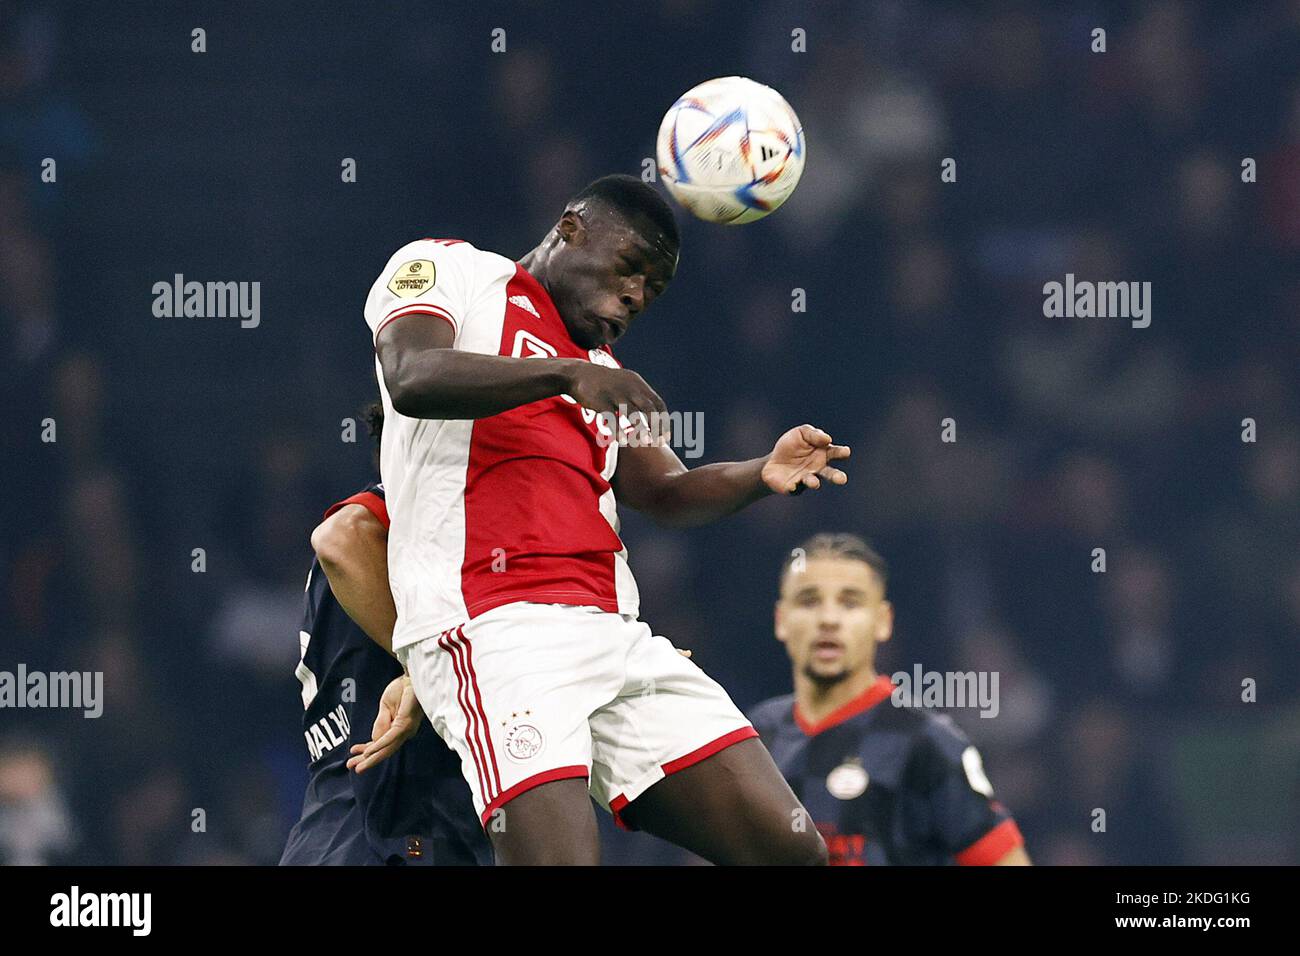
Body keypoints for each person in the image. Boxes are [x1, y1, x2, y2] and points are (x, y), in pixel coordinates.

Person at [359, 174, 850, 864]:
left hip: (616, 637)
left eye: (652, 290)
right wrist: (565, 374)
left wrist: (759, 473)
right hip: (494, 628)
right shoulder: (455, 271)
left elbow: (667, 492)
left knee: (792, 852)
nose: (635, 296)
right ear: (570, 228)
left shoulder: (600, 371)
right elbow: (411, 375)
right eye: (631, 270)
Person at [280, 404, 489, 865]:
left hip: (338, 833)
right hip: (390, 837)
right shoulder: (403, 511)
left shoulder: (433, 539)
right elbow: (338, 538)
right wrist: (427, 664)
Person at [749, 533, 1030, 865]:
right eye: (809, 600)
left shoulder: (928, 742)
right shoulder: (754, 736)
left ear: (883, 622)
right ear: (781, 620)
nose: (828, 619)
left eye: (849, 602)